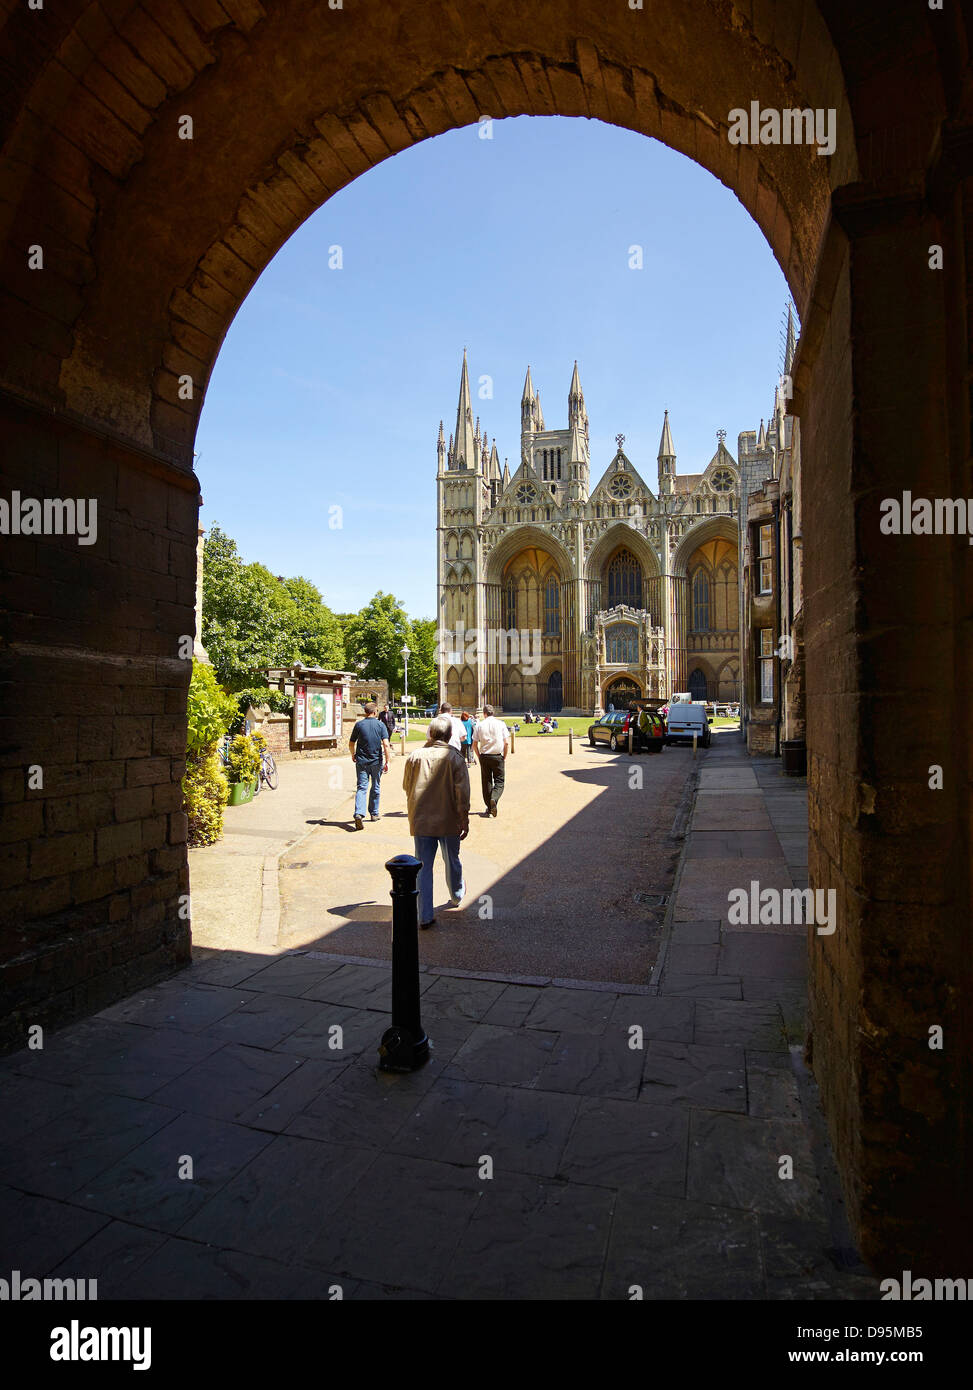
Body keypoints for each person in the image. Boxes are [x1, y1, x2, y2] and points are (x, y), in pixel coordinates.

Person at [402, 714, 470, 929]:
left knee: (422, 866)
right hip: (449, 817)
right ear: (450, 736)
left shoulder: (415, 756)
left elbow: (406, 786)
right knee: (452, 859)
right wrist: (464, 818)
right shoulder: (455, 758)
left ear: (430, 734)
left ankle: (424, 915)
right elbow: (463, 793)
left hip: (421, 818)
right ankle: (457, 895)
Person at [349, 701, 390, 830]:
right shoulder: (380, 725)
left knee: (362, 788)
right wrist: (387, 760)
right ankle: (374, 813)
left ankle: (359, 813)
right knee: (376, 787)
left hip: (361, 760)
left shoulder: (359, 725)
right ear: (374, 712)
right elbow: (386, 744)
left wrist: (353, 754)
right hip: (376, 761)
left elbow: (351, 743)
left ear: (365, 712)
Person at [473, 702, 510, 817]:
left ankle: (489, 808)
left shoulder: (479, 725)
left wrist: (479, 756)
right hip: (497, 755)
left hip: (484, 756)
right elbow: (506, 743)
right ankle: (494, 799)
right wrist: (504, 756)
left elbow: (474, 744)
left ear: (484, 714)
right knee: (499, 781)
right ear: (493, 713)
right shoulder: (501, 724)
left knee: (486, 782)